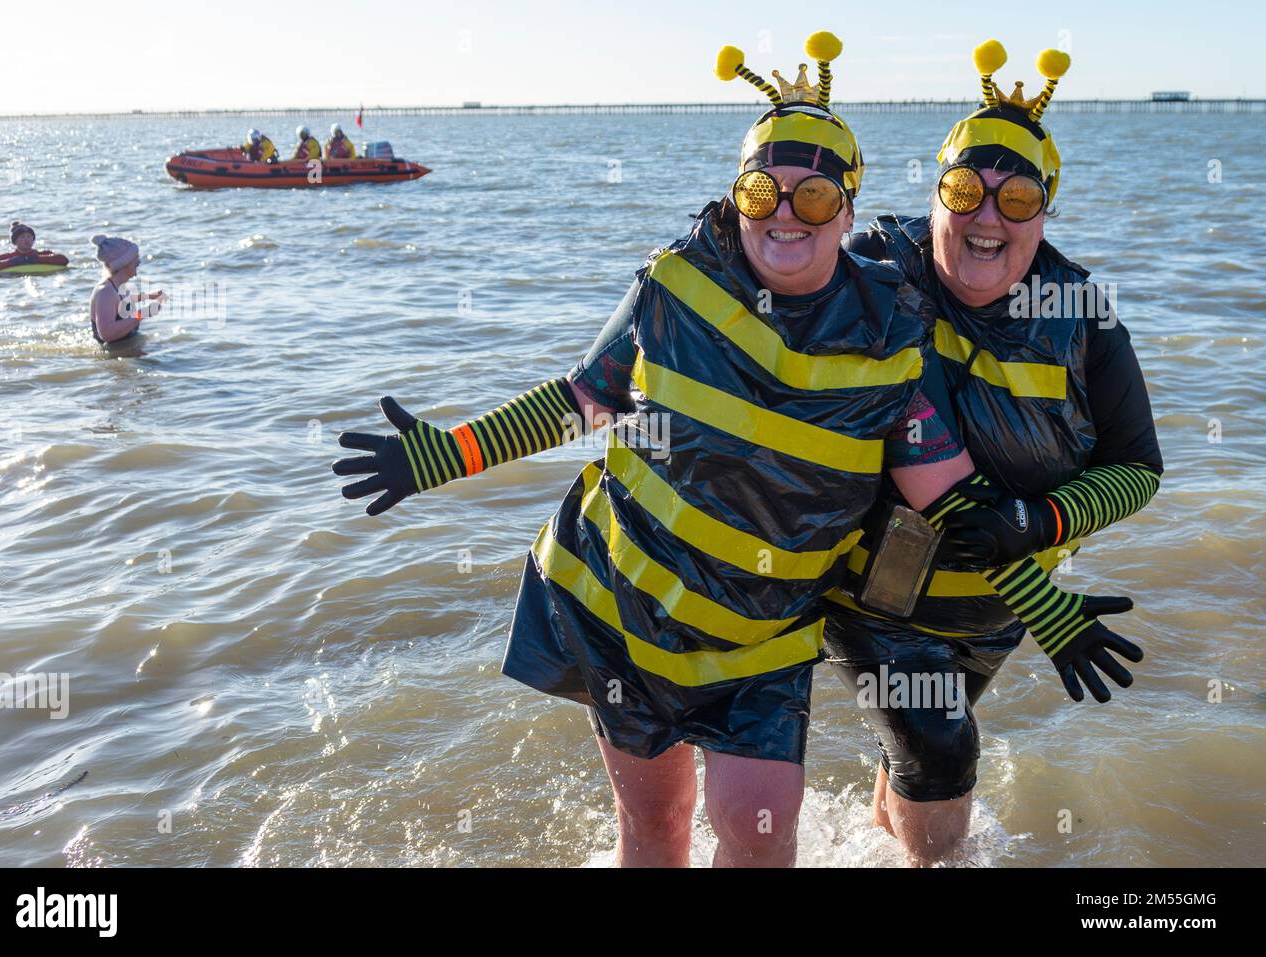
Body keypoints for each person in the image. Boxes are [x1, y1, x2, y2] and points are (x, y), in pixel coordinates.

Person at [332, 32, 1103, 867]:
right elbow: (579, 400)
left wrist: (1053, 614)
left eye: (814, 199)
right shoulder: (676, 289)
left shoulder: (890, 343)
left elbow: (954, 505)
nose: (784, 212)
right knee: (657, 827)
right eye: (762, 188)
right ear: (737, 194)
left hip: (763, 641)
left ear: (849, 213)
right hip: (632, 604)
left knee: (759, 828)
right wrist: (442, 455)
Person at [822, 40, 1163, 864]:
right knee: (941, 747)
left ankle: (872, 852)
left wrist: (1039, 519)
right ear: (934, 192)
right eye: (965, 189)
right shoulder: (875, 273)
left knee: (913, 753)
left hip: (993, 608)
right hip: (871, 591)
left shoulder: (1083, 312)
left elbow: (1138, 468)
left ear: (1047, 211)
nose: (987, 218)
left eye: (1017, 199)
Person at [88, 235, 164, 345]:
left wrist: (149, 296)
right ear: (124, 264)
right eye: (136, 260)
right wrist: (142, 314)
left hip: (127, 348)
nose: (139, 262)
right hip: (115, 356)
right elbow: (106, 334)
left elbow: (122, 301)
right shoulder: (105, 292)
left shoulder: (118, 285)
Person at [0, 221, 68, 274]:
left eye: (29, 236)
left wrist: (37, 259)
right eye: (22, 237)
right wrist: (10, 262)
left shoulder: (42, 253)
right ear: (15, 241)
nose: (27, 240)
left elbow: (63, 260)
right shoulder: (5, 257)